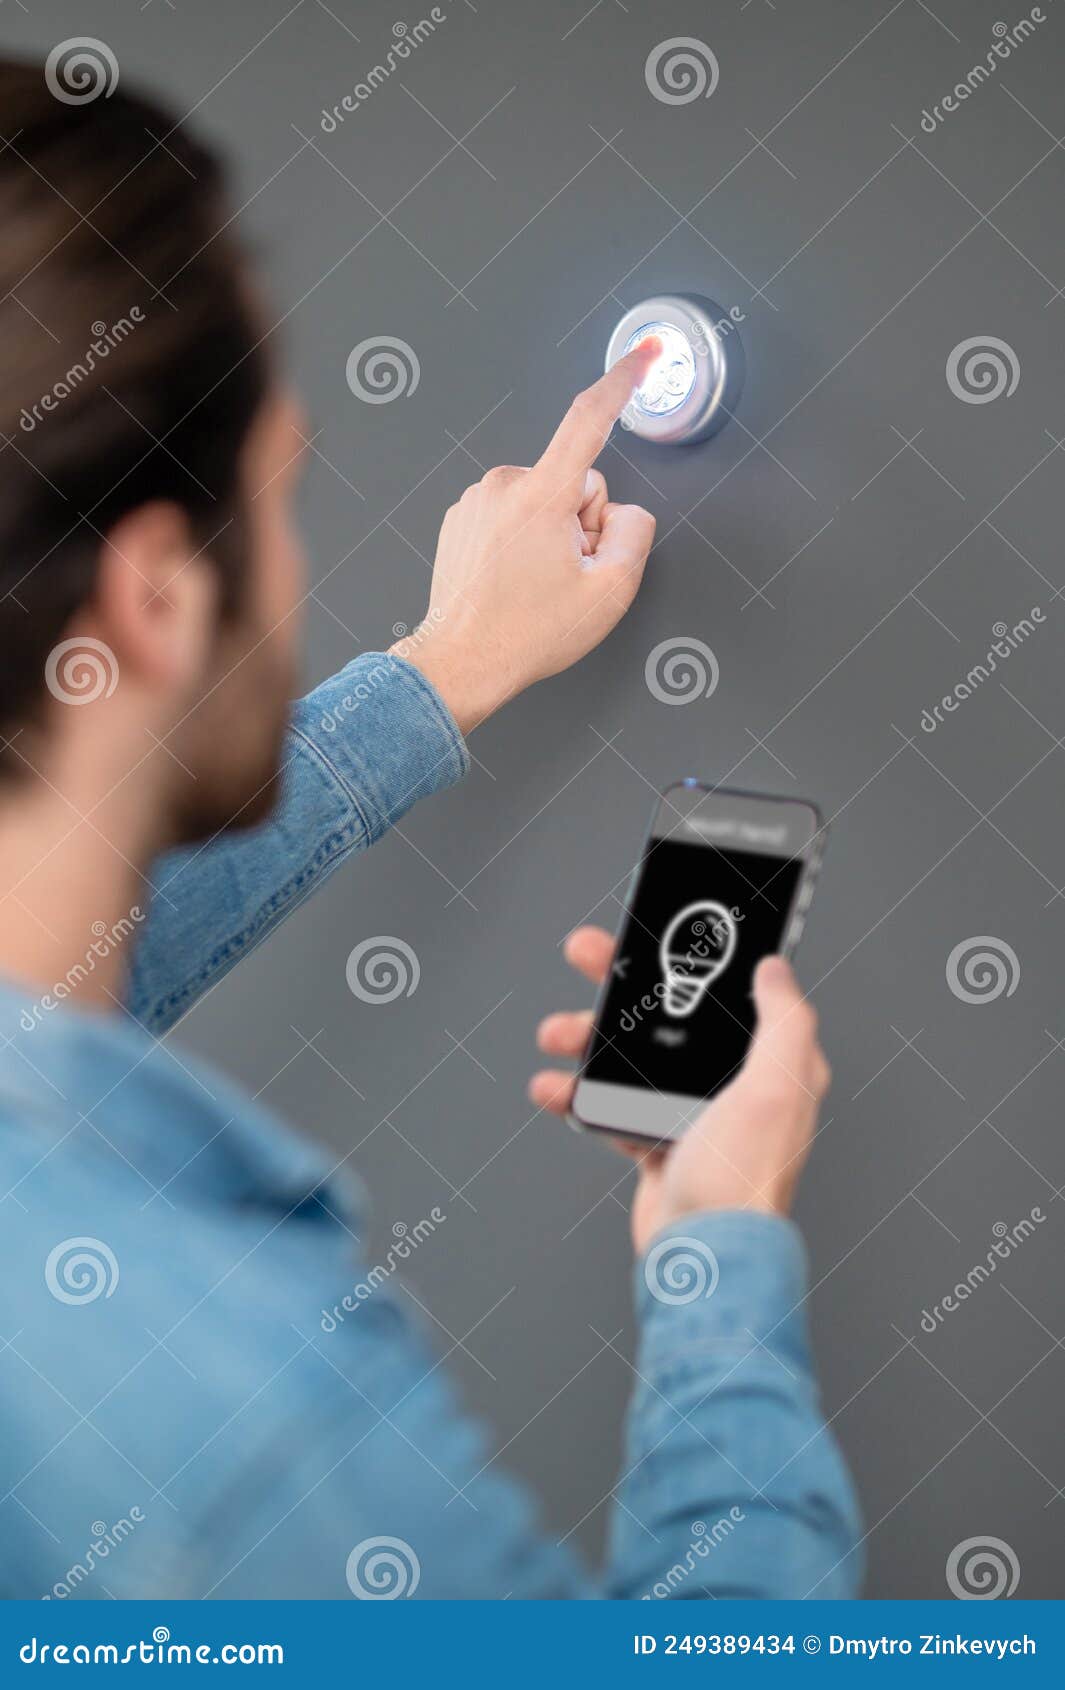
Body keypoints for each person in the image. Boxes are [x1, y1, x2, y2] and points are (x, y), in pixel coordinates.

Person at [0, 62, 861, 1600]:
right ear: (151, 595)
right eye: (278, 492)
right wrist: (717, 1243)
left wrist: (448, 665)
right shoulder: (231, 1427)